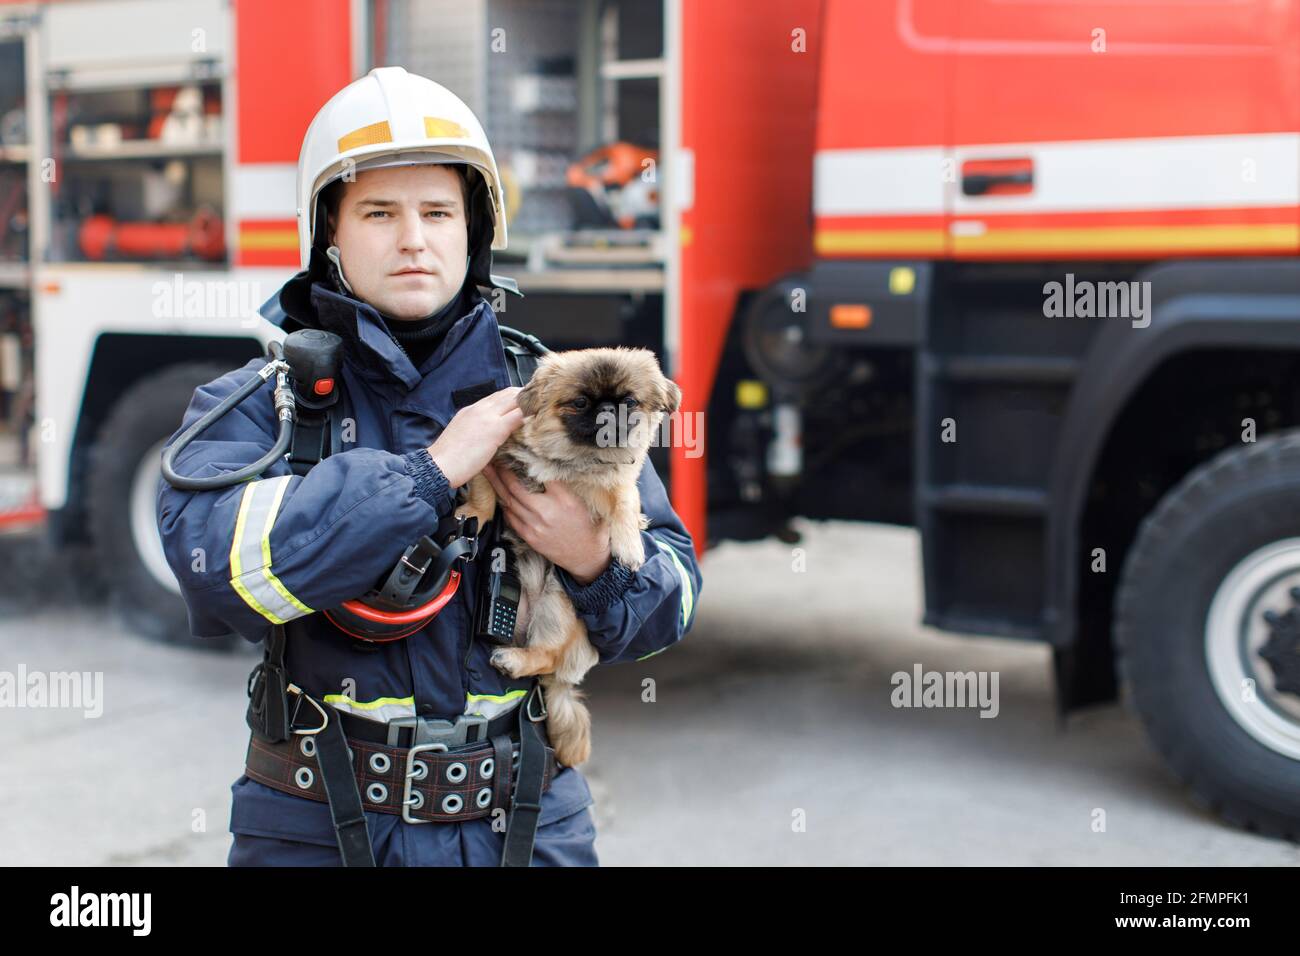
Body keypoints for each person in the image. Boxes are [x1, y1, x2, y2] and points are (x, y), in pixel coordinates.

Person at [155, 67, 702, 867]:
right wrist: (428, 476)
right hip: (315, 828)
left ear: (472, 232)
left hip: (524, 825)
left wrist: (592, 560)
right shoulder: (261, 405)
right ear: (330, 234)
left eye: (438, 212)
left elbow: (673, 607)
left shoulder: (553, 394)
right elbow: (209, 569)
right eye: (379, 212)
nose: (414, 238)